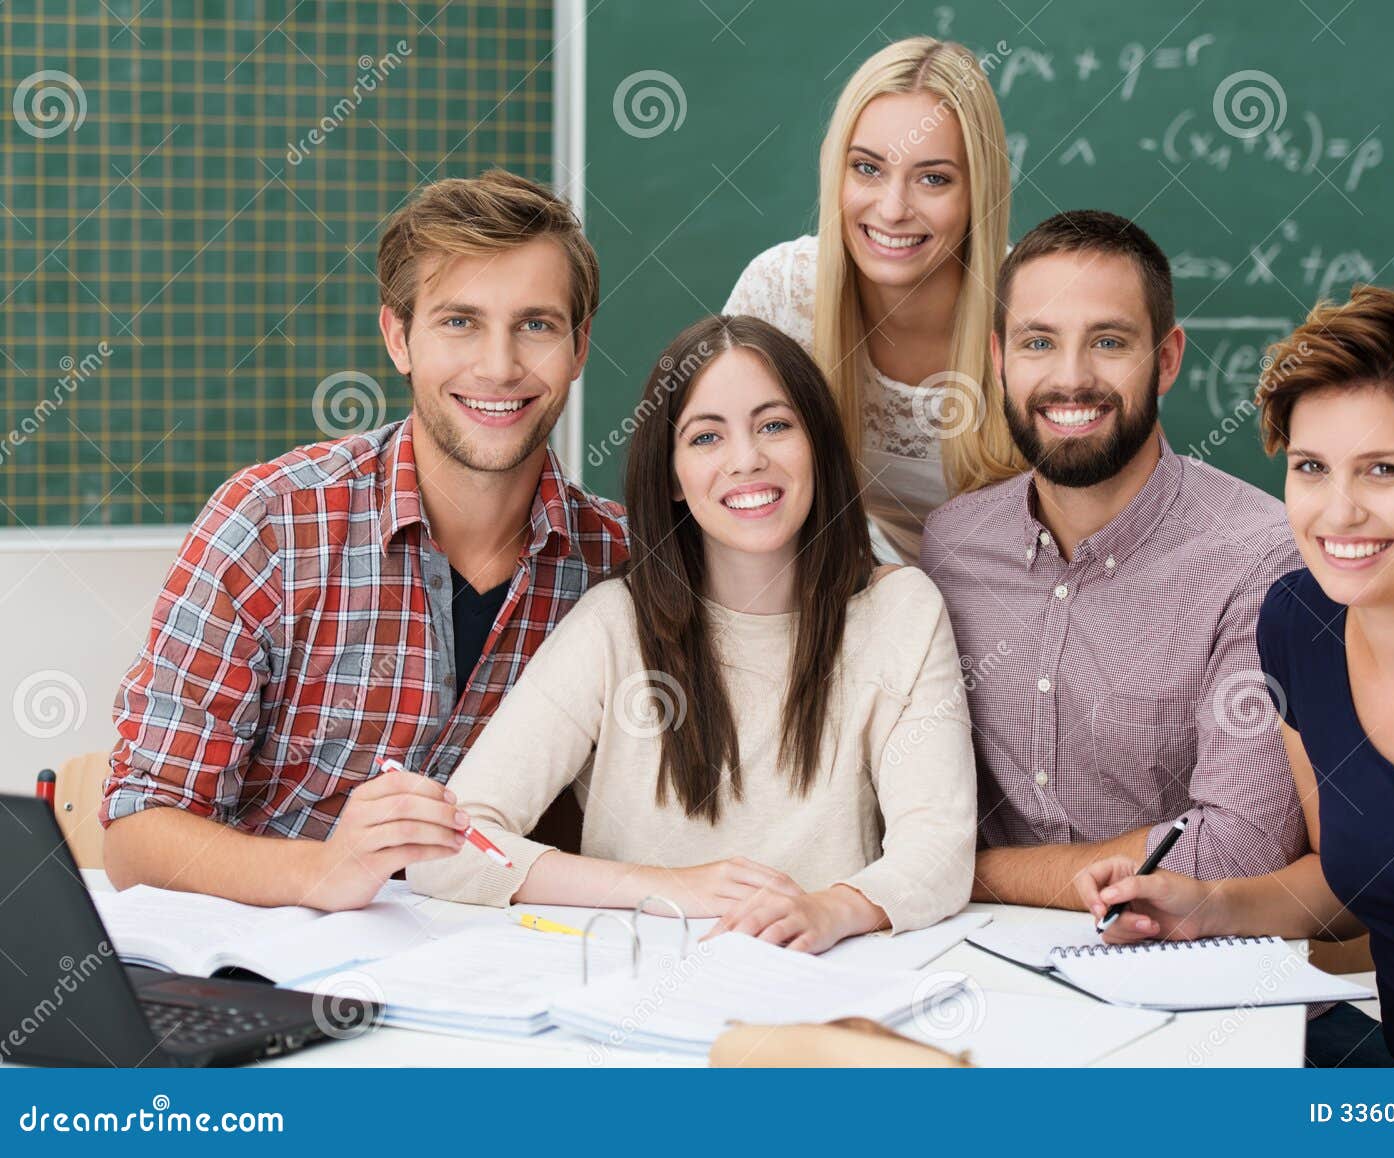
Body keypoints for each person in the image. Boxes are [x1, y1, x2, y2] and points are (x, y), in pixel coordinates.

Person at [1075, 286, 1394, 1068]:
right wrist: (1204, 906)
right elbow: (1349, 881)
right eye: (1312, 468)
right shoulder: (1299, 625)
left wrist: (1351, 1117)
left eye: (1383, 470)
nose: (1339, 511)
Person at [102, 170, 627, 911]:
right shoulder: (271, 526)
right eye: (459, 322)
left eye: (535, 325)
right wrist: (322, 873)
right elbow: (136, 835)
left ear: (579, 346)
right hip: (272, 954)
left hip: (503, 962)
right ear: (398, 338)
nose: (500, 366)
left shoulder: (622, 564)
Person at [408, 315, 977, 952]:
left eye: (775, 426)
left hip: (831, 979)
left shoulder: (900, 612)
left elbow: (940, 849)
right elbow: (446, 848)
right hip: (641, 981)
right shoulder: (614, 625)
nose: (747, 459)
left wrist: (830, 911)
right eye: (707, 437)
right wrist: (666, 887)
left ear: (817, 445)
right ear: (673, 478)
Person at [920, 210, 1306, 909]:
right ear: (999, 360)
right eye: (1039, 342)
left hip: (1183, 962)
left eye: (1108, 341)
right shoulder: (951, 546)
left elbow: (1239, 847)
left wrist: (964, 872)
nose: (1071, 379)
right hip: (967, 957)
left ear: (1166, 359)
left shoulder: (1260, 556)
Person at [723, 36, 1023, 565]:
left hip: (1023, 586)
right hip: (858, 583)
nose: (892, 209)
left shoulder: (1038, 307)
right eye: (867, 168)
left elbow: (1131, 500)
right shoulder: (781, 293)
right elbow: (715, 470)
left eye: (933, 178)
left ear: (978, 192)